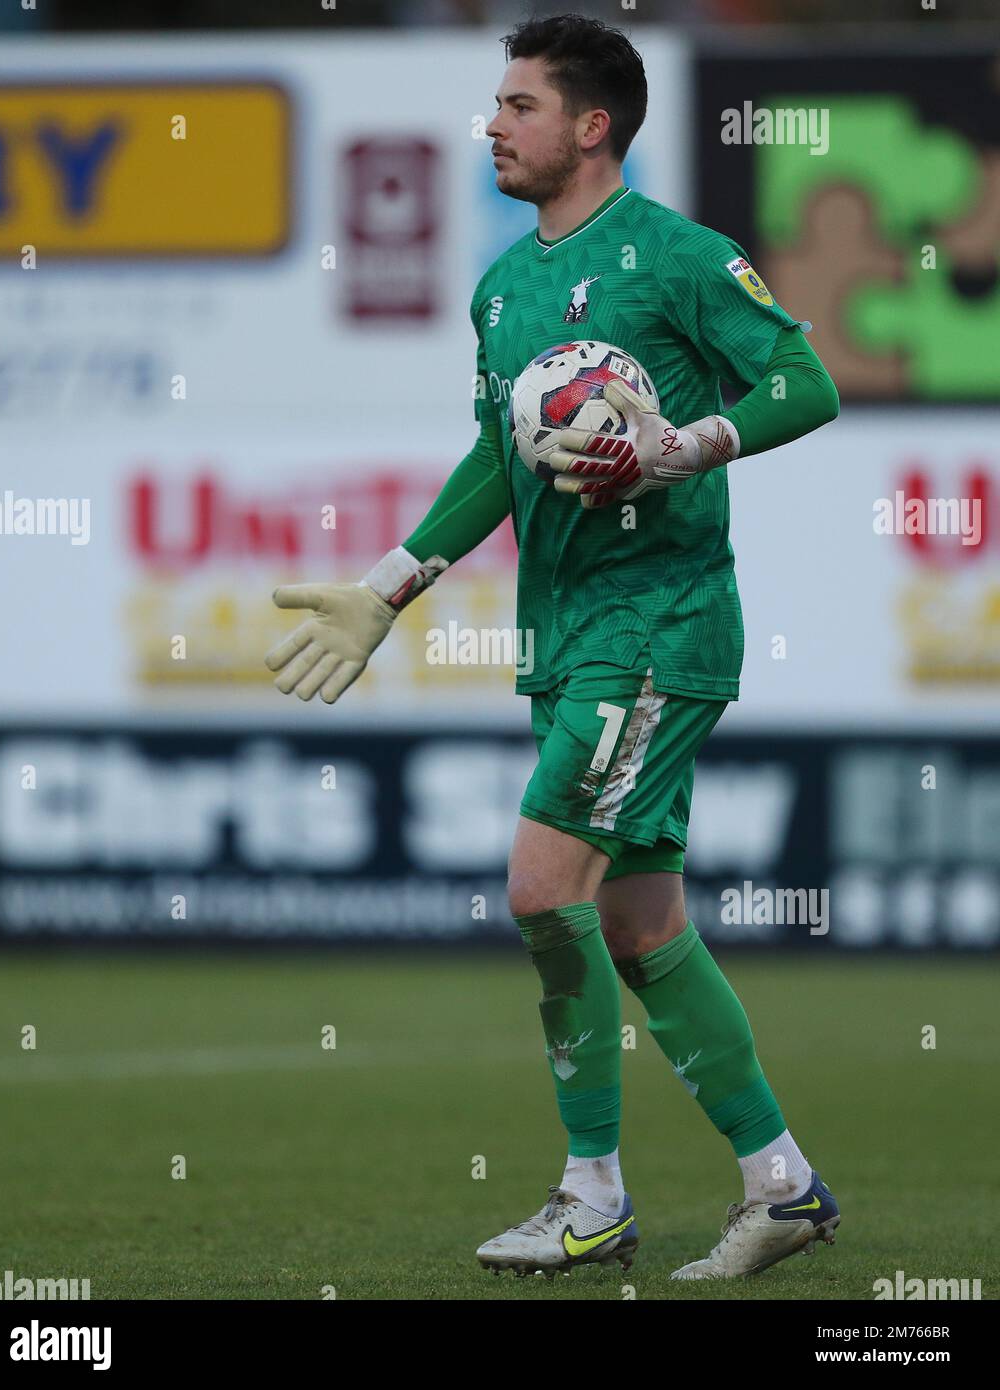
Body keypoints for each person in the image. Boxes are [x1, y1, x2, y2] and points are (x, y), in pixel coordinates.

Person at [265, 13, 841, 1280]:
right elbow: (493, 454)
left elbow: (803, 381)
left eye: (518, 105)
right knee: (637, 925)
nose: (492, 125)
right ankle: (780, 1183)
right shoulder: (501, 285)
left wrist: (685, 444)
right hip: (565, 637)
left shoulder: (679, 258)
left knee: (540, 889)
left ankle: (590, 1195)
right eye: (495, 103)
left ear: (592, 126)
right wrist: (388, 586)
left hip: (657, 626)